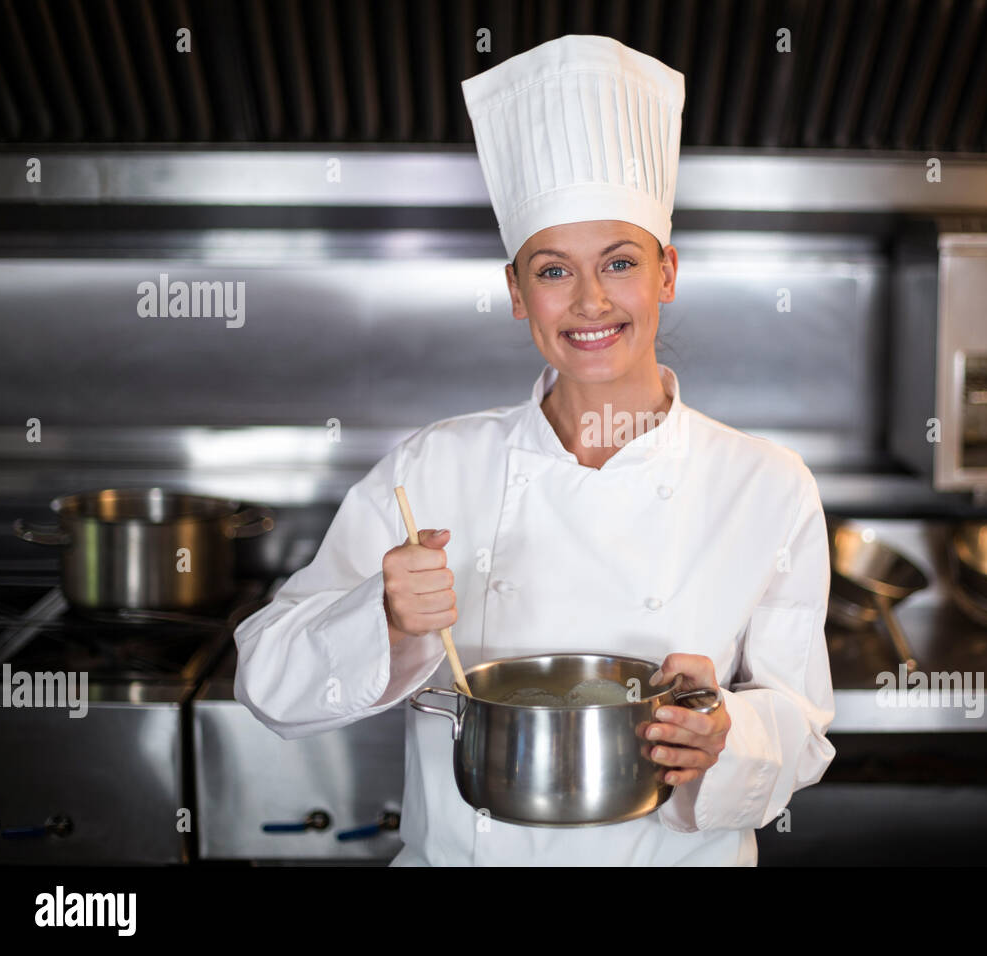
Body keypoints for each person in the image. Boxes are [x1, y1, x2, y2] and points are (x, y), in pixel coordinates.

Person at [234, 34, 835, 866]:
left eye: (619, 263)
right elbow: (266, 684)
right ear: (516, 293)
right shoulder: (432, 470)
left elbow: (802, 730)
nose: (591, 301)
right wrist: (381, 615)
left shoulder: (766, 486)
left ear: (666, 272)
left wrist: (730, 737)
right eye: (554, 272)